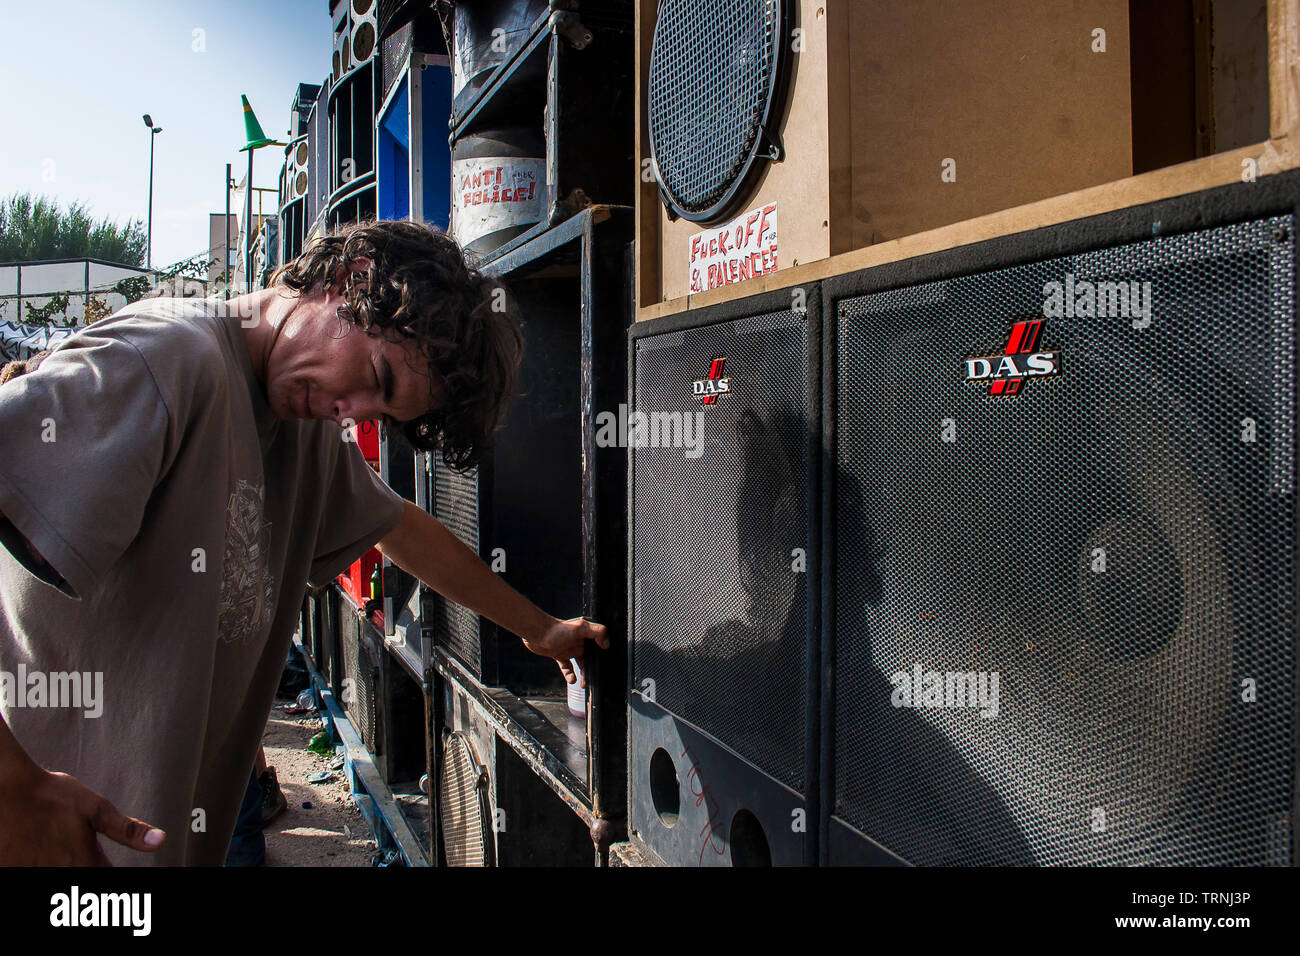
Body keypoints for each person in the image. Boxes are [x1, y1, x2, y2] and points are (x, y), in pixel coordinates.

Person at [0, 219, 607, 865]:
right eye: (374, 374)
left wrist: (538, 628)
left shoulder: (305, 427)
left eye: (378, 412)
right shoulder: (165, 357)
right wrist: (14, 789)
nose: (351, 409)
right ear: (351, 280)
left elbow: (400, 526)